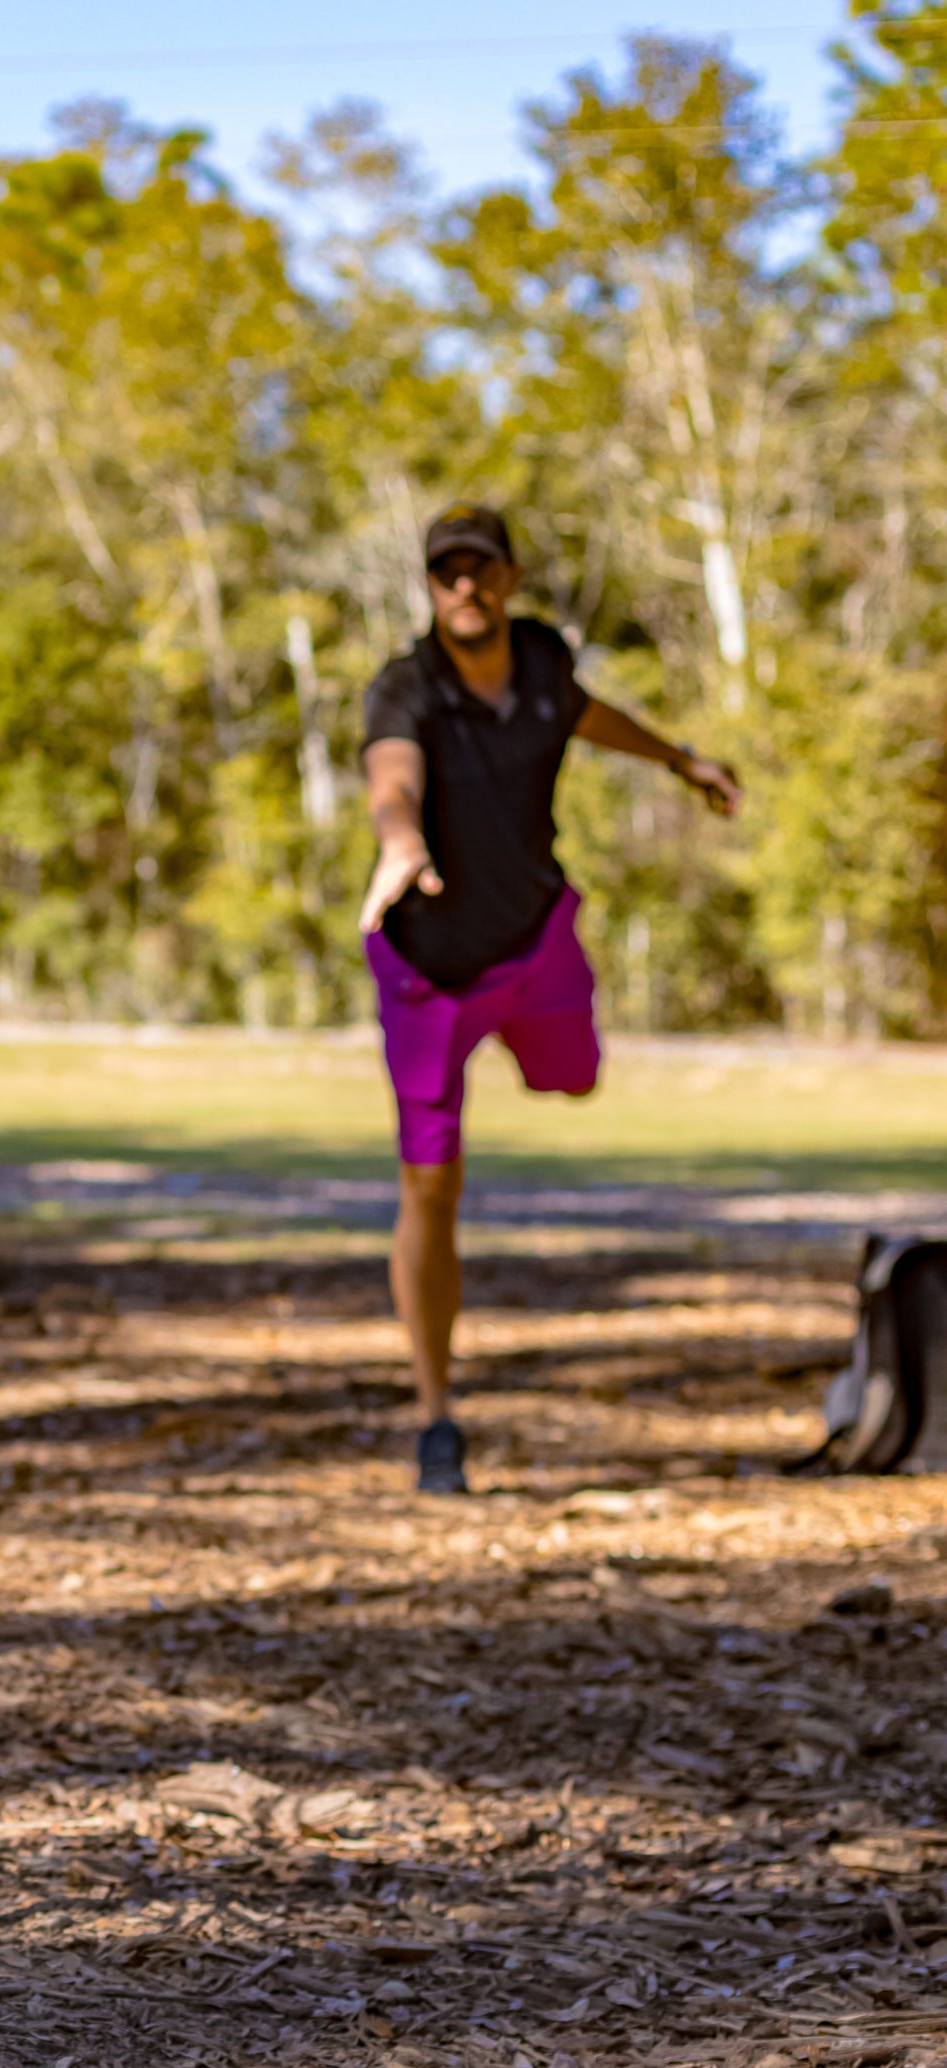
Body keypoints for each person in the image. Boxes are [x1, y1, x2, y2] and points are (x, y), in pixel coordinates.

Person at [358, 506, 742, 1495]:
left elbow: (585, 712)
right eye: (445, 574)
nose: (463, 589)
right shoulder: (407, 687)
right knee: (430, 1188)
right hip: (427, 971)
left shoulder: (539, 662)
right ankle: (435, 1414)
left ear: (509, 577)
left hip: (533, 943)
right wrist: (399, 840)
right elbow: (389, 777)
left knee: (573, 1080)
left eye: (479, 570)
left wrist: (679, 759)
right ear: (429, 586)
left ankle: (537, 1048)